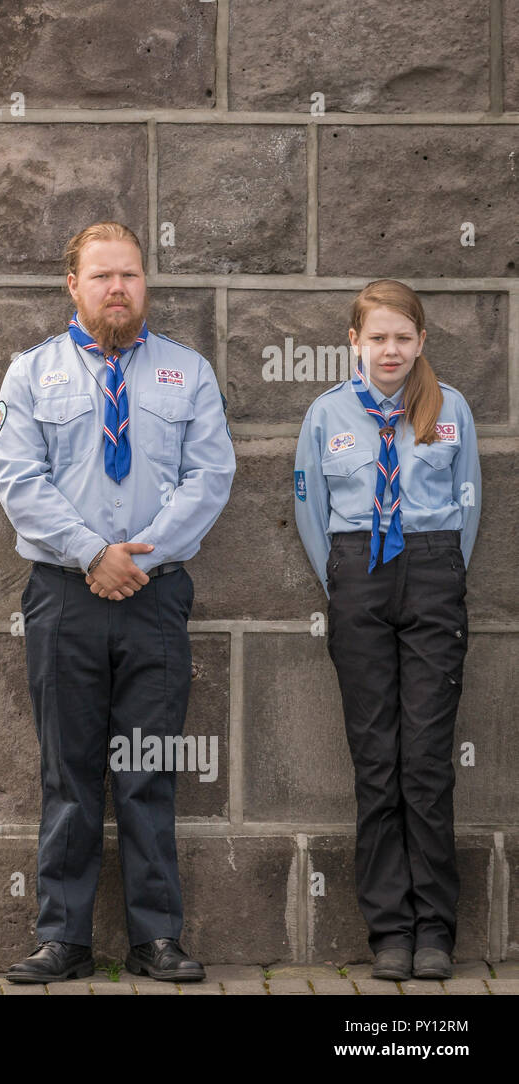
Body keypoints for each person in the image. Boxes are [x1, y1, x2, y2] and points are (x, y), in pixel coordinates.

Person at [0, 221, 234, 984]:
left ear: (144, 282)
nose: (117, 289)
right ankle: (62, 939)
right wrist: (95, 554)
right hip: (64, 595)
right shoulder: (31, 374)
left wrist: (140, 557)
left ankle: (156, 939)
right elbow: (19, 483)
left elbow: (210, 477)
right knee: (68, 772)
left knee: (149, 769)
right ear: (74, 285)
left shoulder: (186, 373)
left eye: (129, 275)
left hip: (155, 598)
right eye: (102, 277)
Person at [294, 280, 480, 982]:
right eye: (378, 337)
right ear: (354, 343)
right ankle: (390, 932)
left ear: (422, 341)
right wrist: (343, 581)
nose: (391, 349)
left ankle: (435, 929)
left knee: (427, 764)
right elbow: (310, 504)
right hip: (358, 573)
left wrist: (443, 576)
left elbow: (469, 502)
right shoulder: (327, 414)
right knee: (376, 764)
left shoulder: (449, 408)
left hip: (433, 573)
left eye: (404, 336)